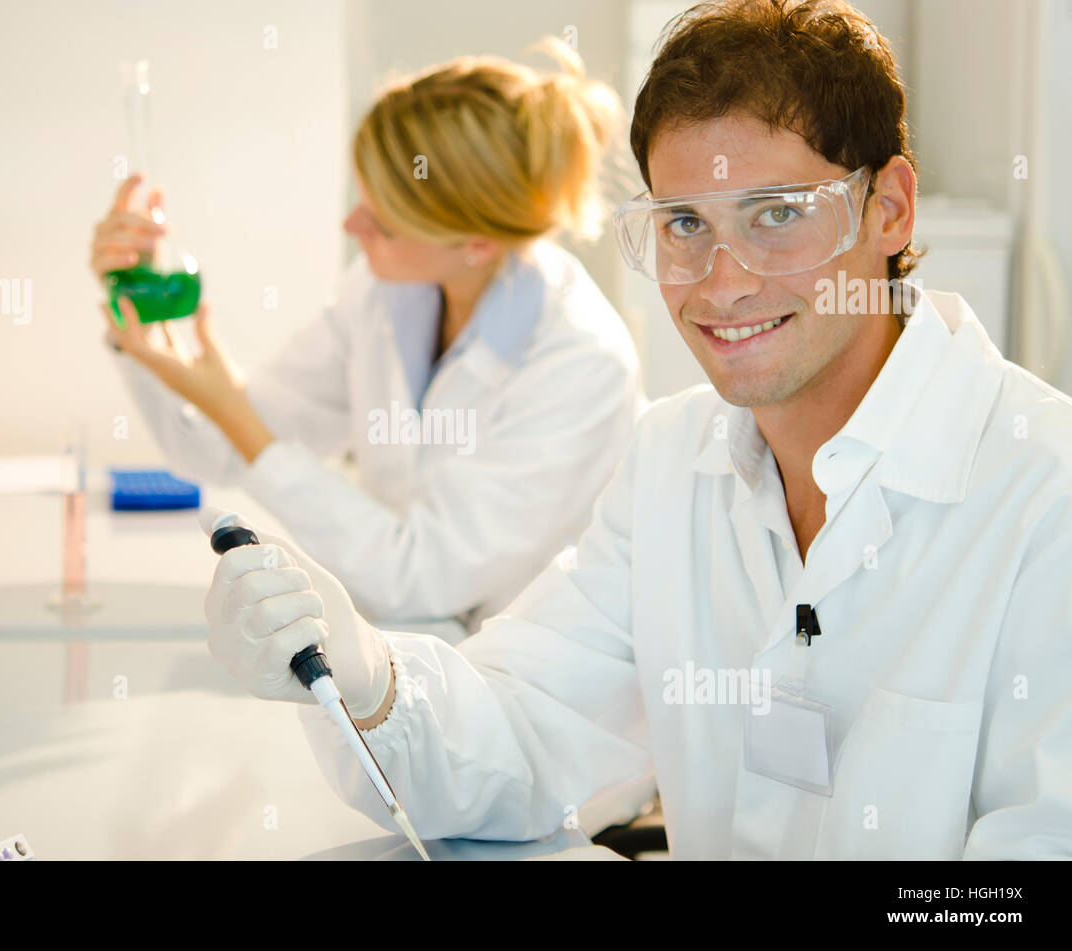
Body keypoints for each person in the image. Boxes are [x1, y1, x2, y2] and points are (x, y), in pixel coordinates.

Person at [200, 0, 1072, 859]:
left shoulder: (1044, 493)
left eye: (777, 214)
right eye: (685, 224)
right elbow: (523, 734)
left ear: (890, 209)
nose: (722, 282)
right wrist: (370, 678)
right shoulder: (672, 459)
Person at [92, 40, 641, 630]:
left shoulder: (583, 363)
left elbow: (419, 579)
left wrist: (239, 418)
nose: (351, 226)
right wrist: (142, 312)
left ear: (476, 243)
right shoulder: (387, 293)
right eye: (364, 199)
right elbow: (220, 447)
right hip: (398, 662)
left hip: (525, 689)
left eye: (380, 222)